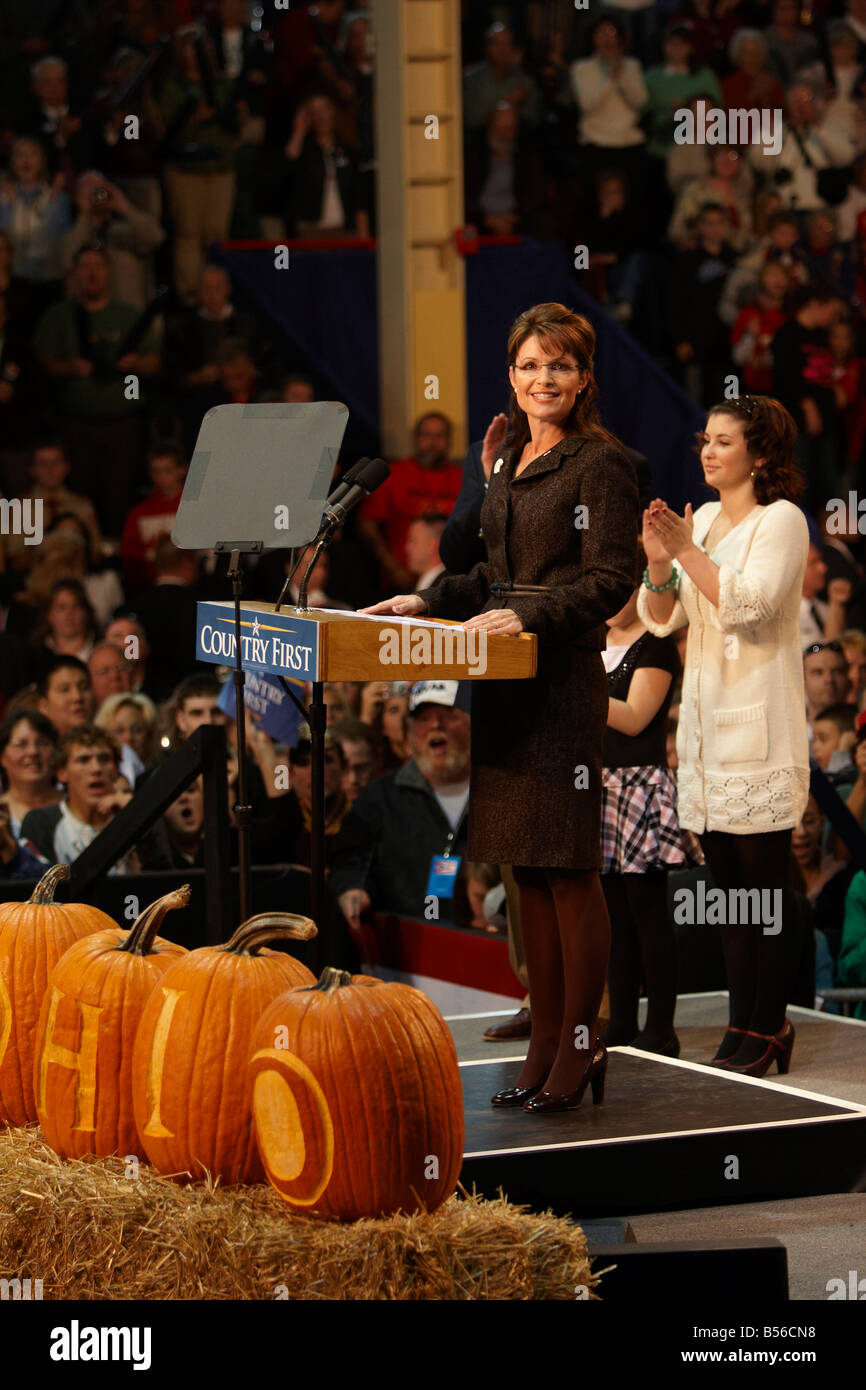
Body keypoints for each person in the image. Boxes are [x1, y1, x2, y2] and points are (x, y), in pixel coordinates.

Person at [362, 302, 639, 1112]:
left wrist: (530, 613)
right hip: (504, 688)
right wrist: (425, 602)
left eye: (558, 365)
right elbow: (488, 576)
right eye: (528, 366)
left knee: (568, 871)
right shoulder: (511, 459)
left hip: (560, 687)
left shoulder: (602, 464)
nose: (542, 379)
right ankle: (546, 1044)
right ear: (511, 376)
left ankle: (582, 1047)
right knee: (526, 872)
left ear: (583, 376)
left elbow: (610, 580)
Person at [639, 394, 810, 1076]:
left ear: (760, 453)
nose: (707, 452)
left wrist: (686, 551)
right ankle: (742, 1022)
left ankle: (773, 1023)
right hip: (707, 733)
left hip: (761, 728)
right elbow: (661, 619)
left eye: (724, 442)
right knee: (728, 891)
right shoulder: (703, 518)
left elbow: (748, 607)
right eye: (704, 441)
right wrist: (659, 562)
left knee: (763, 892)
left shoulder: (783, 520)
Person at [602, 575, 703, 1058]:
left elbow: (636, 716)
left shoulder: (657, 647)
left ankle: (661, 1027)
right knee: (612, 916)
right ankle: (621, 1020)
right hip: (595, 787)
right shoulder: (592, 642)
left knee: (647, 913)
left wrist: (577, 691)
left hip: (638, 787)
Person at [330, 681, 471, 923]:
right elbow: (350, 860)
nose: (436, 725)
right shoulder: (379, 797)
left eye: (449, 716)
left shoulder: (498, 794)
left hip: (487, 943)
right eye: (423, 718)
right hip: (406, 947)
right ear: (410, 732)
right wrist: (353, 890)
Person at [358, 412, 462, 591]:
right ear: (416, 438)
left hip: (448, 579)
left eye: (439, 436)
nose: (432, 443)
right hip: (399, 578)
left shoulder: (462, 477)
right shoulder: (395, 474)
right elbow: (367, 524)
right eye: (426, 435)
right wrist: (392, 567)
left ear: (449, 440)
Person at [19, 724, 134, 871]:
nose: (96, 769)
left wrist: (136, 815)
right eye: (84, 760)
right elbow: (39, 886)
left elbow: (160, 882)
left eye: (104, 759)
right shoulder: (41, 823)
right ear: (62, 773)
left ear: (116, 770)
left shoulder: (132, 816)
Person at [120, 443, 188, 593]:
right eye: (156, 472)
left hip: (187, 586)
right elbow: (130, 557)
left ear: (182, 470)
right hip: (148, 587)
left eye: (168, 470)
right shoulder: (140, 513)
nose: (162, 478)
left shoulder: (191, 509)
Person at [0, 708, 60, 837]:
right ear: (2, 756)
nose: (33, 752)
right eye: (21, 744)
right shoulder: (1, 812)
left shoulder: (76, 804)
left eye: (42, 743)